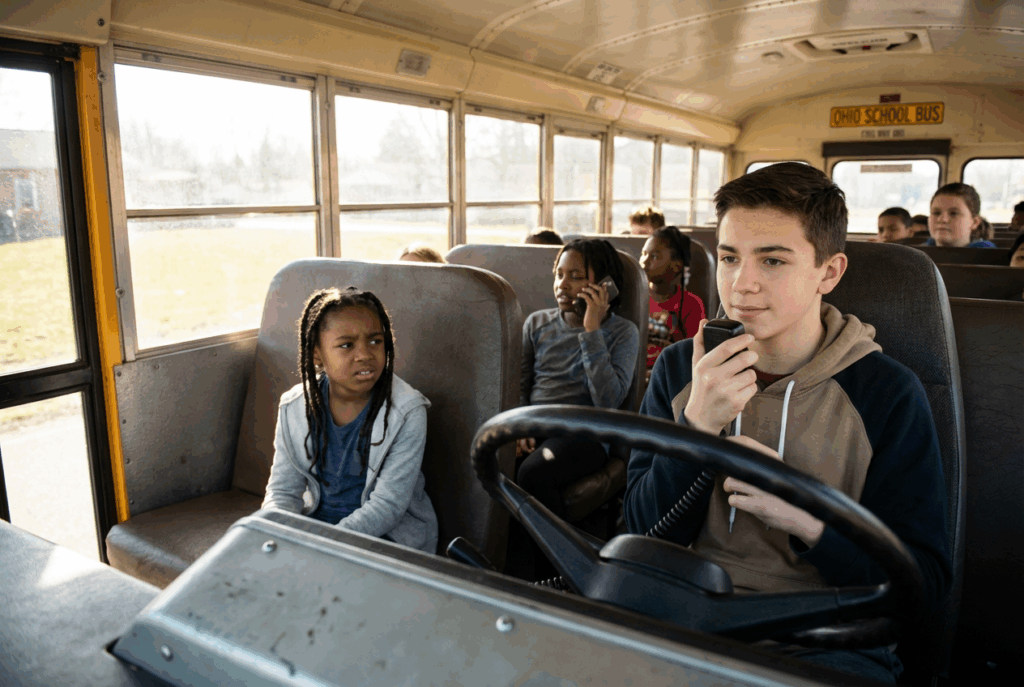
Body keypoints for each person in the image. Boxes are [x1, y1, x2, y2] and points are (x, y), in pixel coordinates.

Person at [624, 163, 949, 683]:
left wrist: (808, 519)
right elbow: (641, 529)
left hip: (821, 636)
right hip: (681, 614)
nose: (741, 284)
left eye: (772, 260)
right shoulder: (680, 368)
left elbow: (921, 582)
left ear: (829, 272)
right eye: (729, 258)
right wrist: (696, 429)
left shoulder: (886, 393)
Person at [262, 287, 438, 553]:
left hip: (386, 537)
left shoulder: (408, 411)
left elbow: (387, 507)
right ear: (317, 354)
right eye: (346, 345)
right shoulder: (294, 407)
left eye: (375, 341)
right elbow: (282, 492)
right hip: (319, 530)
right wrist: (276, 531)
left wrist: (325, 544)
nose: (365, 354)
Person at [517, 238, 640, 519]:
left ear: (605, 285)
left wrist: (592, 330)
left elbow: (608, 400)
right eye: (559, 275)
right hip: (536, 423)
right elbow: (521, 386)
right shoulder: (536, 323)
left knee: (534, 472)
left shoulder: (623, 333)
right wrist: (518, 427)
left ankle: (551, 560)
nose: (563, 284)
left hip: (585, 434)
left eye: (576, 277)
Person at [640, 226, 705, 383]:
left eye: (654, 256)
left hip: (669, 377)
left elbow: (693, 355)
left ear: (676, 266)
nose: (644, 261)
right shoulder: (636, 298)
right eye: (643, 254)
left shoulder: (691, 304)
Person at [924, 183, 997, 248]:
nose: (942, 219)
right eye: (936, 213)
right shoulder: (917, 257)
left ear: (975, 222)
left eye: (953, 213)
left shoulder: (991, 257)